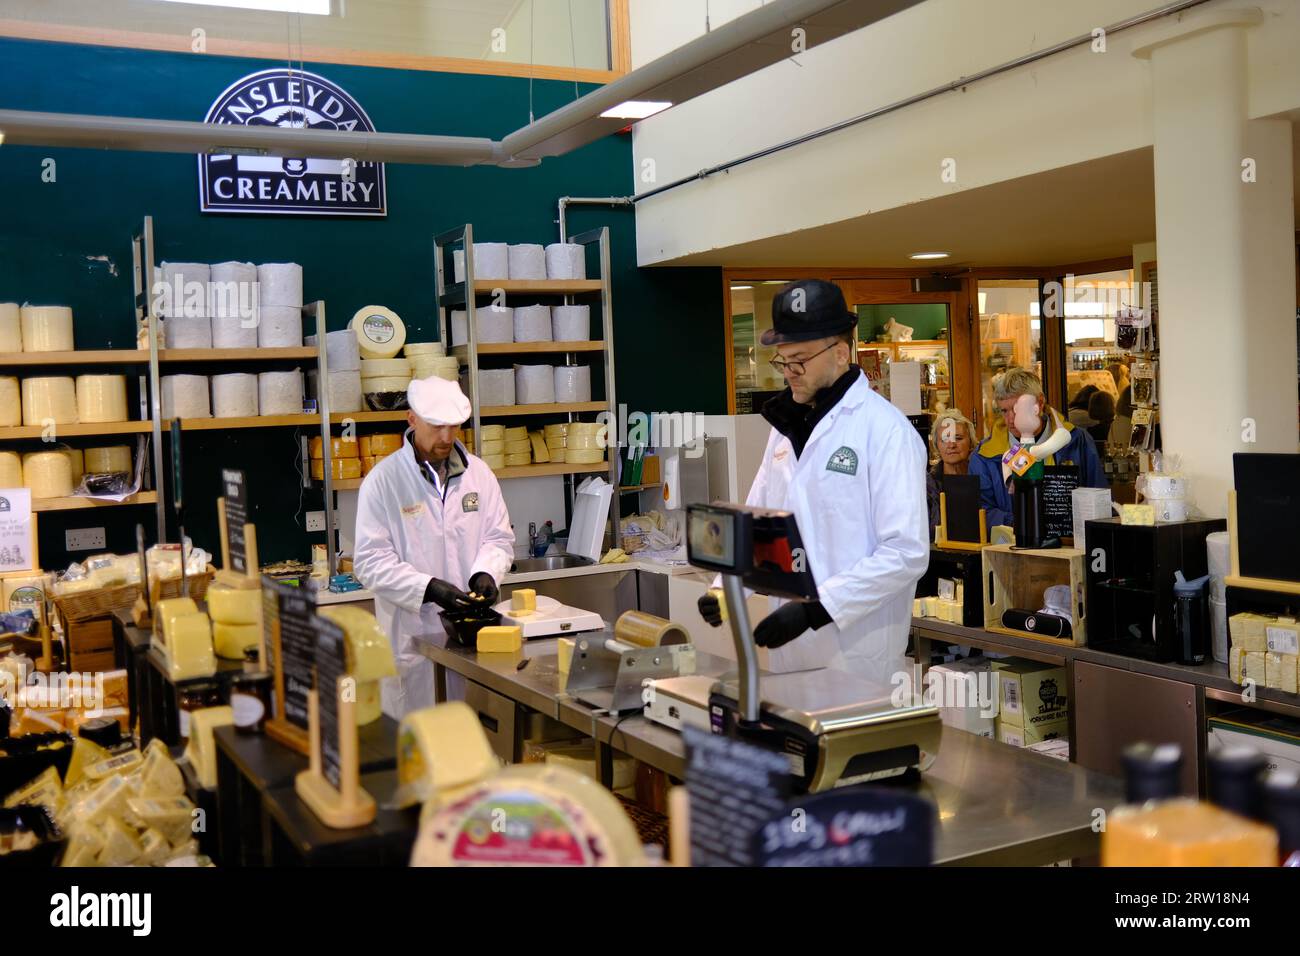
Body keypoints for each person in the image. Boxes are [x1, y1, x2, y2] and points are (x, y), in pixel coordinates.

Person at [696, 279, 929, 685]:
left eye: (799, 360)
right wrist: (725, 589)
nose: (788, 373)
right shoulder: (784, 430)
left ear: (840, 352)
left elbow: (905, 553)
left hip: (857, 653)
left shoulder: (886, 431)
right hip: (791, 651)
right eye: (782, 360)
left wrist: (816, 608)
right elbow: (761, 524)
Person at [354, 376, 515, 718]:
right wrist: (428, 588)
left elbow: (498, 537)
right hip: (412, 643)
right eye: (437, 426)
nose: (446, 438)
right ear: (411, 419)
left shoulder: (480, 475)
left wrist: (487, 571)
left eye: (454, 427)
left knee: (471, 748)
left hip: (469, 644)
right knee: (419, 755)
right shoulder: (383, 482)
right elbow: (369, 562)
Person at [969, 367, 1108, 528]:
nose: (1010, 419)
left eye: (1017, 409)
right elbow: (981, 510)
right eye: (1004, 411)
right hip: (1010, 548)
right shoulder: (984, 455)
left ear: (1040, 403)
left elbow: (1100, 499)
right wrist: (1020, 523)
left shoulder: (1077, 441)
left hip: (1071, 545)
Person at [926, 408, 975, 532]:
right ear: (937, 445)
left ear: (971, 441)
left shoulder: (984, 477)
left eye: (958, 438)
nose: (951, 445)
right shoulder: (928, 485)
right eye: (944, 439)